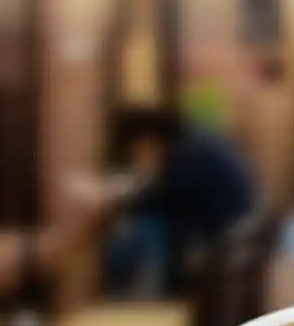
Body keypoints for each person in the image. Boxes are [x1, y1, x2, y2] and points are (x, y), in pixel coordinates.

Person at [105, 107, 256, 296]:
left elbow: (167, 197)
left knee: (147, 231)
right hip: (237, 223)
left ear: (148, 138)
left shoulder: (189, 154)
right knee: (151, 228)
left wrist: (118, 201)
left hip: (226, 229)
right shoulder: (194, 142)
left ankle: (144, 299)